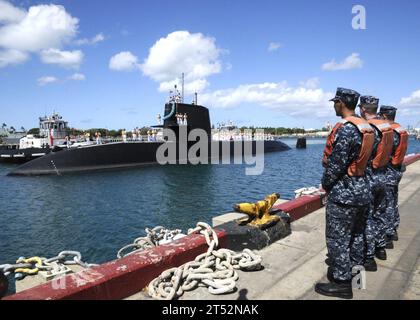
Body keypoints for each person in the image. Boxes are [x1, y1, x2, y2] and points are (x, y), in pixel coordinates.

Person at [315, 88, 374, 299]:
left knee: (337, 238)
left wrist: (325, 184)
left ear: (341, 103)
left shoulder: (347, 129)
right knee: (357, 236)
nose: (333, 106)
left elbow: (336, 164)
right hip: (363, 190)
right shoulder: (367, 127)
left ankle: (341, 283)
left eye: (335, 102)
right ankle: (358, 280)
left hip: (345, 194)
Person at [359, 96, 394, 269]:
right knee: (380, 214)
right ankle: (381, 248)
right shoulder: (386, 127)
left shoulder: (368, 129)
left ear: (363, 109)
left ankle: (369, 257)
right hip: (384, 176)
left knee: (367, 218)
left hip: (370, 177)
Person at [378, 106, 409, 248]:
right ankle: (394, 227)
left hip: (389, 171)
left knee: (387, 204)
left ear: (384, 116)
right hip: (397, 170)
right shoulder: (401, 130)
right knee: (393, 200)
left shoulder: (389, 132)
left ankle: (388, 234)